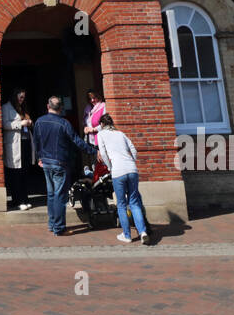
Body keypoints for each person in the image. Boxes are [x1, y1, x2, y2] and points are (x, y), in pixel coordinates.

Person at [32, 95, 95, 236]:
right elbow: (77, 141)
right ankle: (59, 228)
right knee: (60, 196)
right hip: (60, 163)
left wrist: (39, 157)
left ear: (48, 106)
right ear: (61, 108)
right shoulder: (64, 123)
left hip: (46, 162)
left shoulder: (39, 122)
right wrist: (93, 151)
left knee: (51, 195)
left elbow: (36, 142)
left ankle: (52, 224)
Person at [95, 114, 151, 245]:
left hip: (118, 171)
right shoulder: (121, 133)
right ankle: (142, 232)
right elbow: (133, 149)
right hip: (132, 169)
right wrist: (132, 161)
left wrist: (110, 167)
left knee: (121, 205)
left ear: (102, 125)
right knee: (134, 203)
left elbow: (103, 153)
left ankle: (127, 235)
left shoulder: (101, 135)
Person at [1, 91, 34, 210]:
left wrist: (30, 123)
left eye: (24, 98)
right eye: (20, 97)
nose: (22, 99)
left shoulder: (23, 108)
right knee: (16, 173)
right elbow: (4, 124)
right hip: (14, 145)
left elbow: (27, 122)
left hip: (25, 143)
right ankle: (17, 201)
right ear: (14, 96)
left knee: (25, 172)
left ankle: (25, 199)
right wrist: (20, 124)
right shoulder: (6, 107)